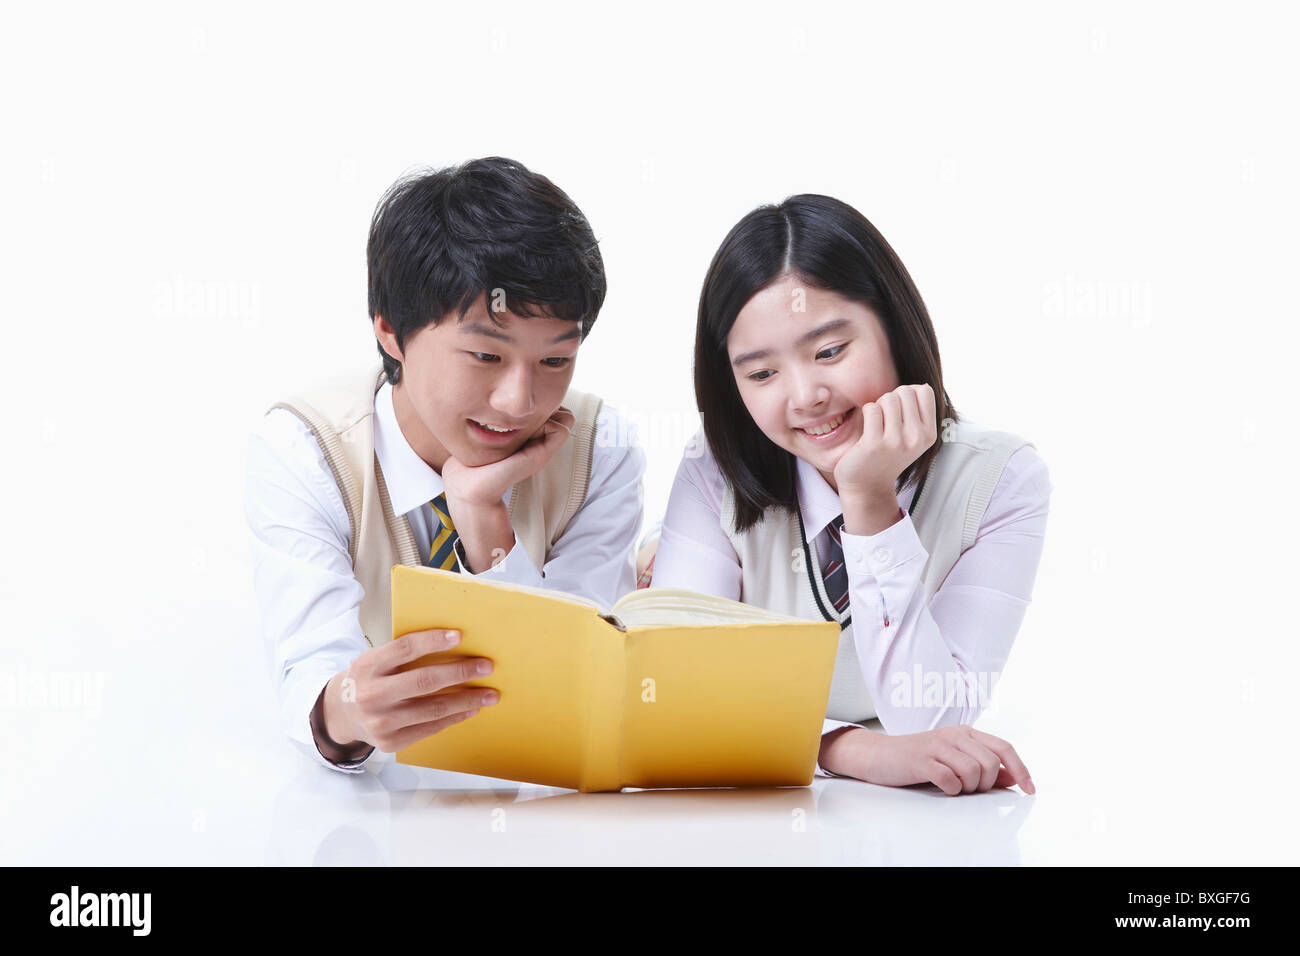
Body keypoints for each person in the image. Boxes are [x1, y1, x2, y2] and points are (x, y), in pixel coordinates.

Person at [244, 157, 645, 773]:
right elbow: (311, 669)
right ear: (391, 332)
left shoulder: (601, 448)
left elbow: (573, 683)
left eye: (555, 361)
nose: (519, 401)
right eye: (486, 354)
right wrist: (348, 714)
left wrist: (483, 517)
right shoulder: (306, 449)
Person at [648, 194, 1050, 796]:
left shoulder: (1000, 481)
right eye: (761, 374)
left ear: (894, 327)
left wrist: (869, 506)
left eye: (830, 351)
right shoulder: (713, 473)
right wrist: (853, 749)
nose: (806, 395)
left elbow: (936, 725)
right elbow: (679, 696)